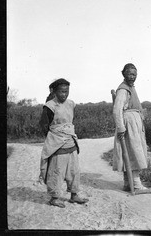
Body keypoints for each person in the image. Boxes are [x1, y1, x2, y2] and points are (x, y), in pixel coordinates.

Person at [39, 78, 88, 208]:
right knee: (57, 171)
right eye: (61, 91)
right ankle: (54, 197)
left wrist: (67, 131)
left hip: (71, 141)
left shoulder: (71, 104)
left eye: (66, 91)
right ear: (55, 92)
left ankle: (74, 195)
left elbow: (70, 120)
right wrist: (54, 137)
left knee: (74, 170)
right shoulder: (49, 106)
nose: (64, 94)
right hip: (57, 143)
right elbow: (44, 125)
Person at [112, 63, 151, 193]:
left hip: (133, 123)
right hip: (128, 124)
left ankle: (128, 183)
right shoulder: (123, 89)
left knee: (131, 151)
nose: (132, 77)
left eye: (134, 74)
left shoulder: (130, 88)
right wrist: (121, 127)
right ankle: (136, 185)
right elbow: (117, 110)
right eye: (129, 74)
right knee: (133, 153)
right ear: (123, 74)